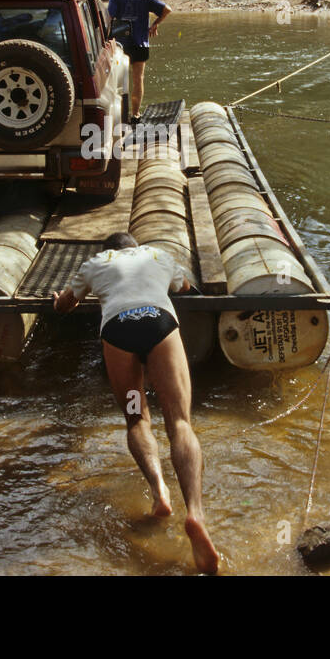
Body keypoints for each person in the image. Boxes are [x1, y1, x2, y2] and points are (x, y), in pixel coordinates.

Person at [52, 232, 220, 574]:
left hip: (119, 332)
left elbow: (66, 304)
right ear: (135, 247)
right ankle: (195, 513)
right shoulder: (158, 254)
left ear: (108, 251)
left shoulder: (95, 263)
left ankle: (159, 493)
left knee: (136, 418)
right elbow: (184, 288)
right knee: (180, 422)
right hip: (158, 323)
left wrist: (58, 301)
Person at [107, 0, 170, 125]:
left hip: (120, 45)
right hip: (140, 44)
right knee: (138, 79)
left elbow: (109, 18)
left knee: (117, 81)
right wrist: (155, 24)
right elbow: (167, 9)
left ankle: (118, 115)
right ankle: (135, 115)